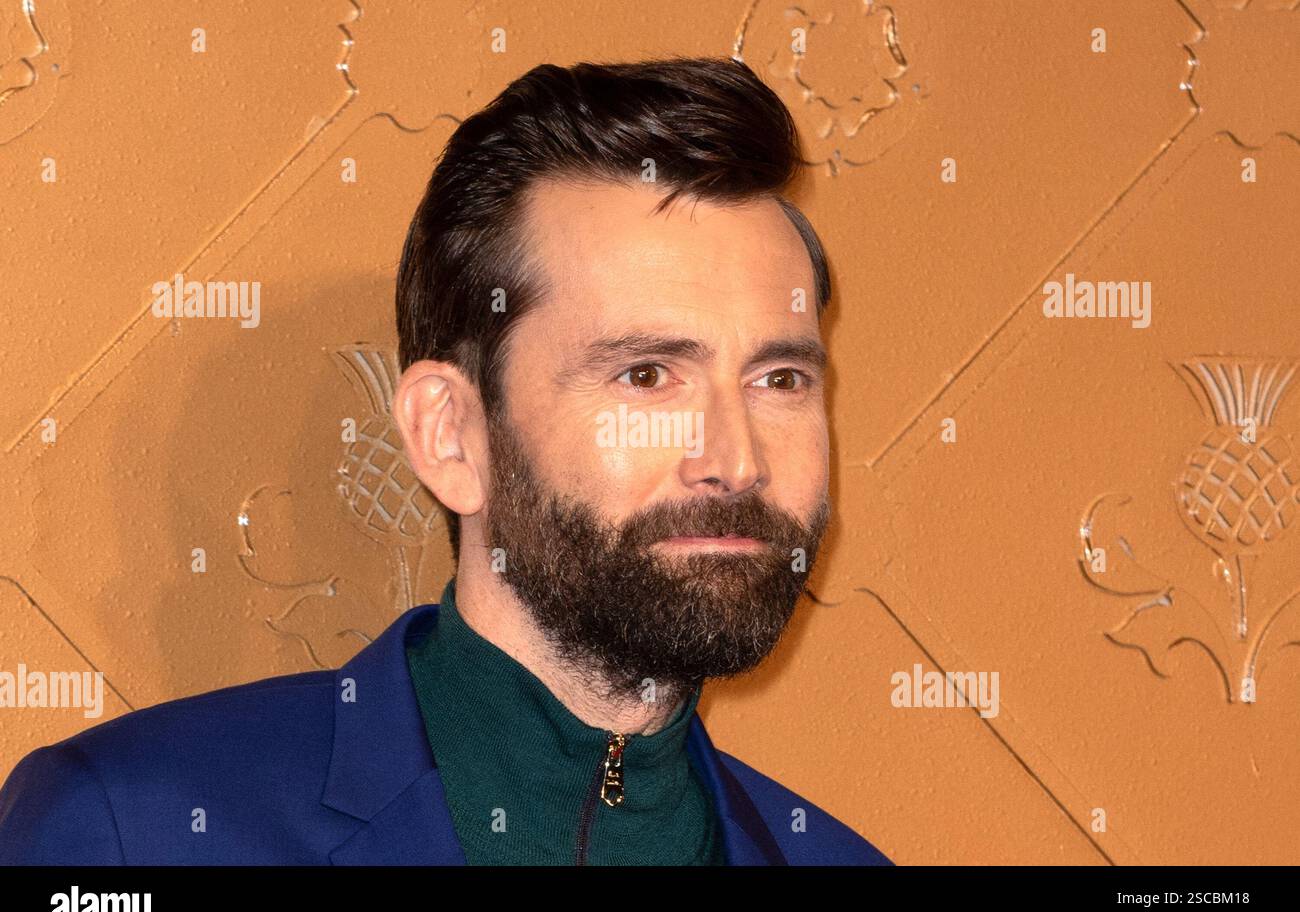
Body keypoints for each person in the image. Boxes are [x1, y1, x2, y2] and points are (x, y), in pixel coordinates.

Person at [0, 55, 891, 866]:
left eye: (779, 379)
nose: (735, 461)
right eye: (648, 375)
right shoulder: (128, 832)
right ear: (451, 435)